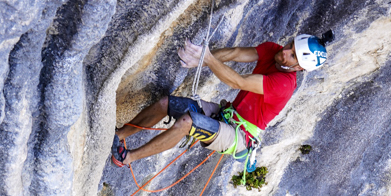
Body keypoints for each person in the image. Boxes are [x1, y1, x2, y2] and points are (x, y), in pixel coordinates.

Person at [110, 33, 331, 169]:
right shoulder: (274, 51)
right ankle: (119, 135)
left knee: (187, 122)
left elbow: (238, 82)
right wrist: (200, 59)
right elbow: (235, 53)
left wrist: (207, 58)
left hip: (240, 136)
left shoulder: (284, 84)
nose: (285, 51)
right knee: (166, 104)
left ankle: (127, 157)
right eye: (291, 45)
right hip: (228, 115)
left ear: (299, 68)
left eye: (293, 56)